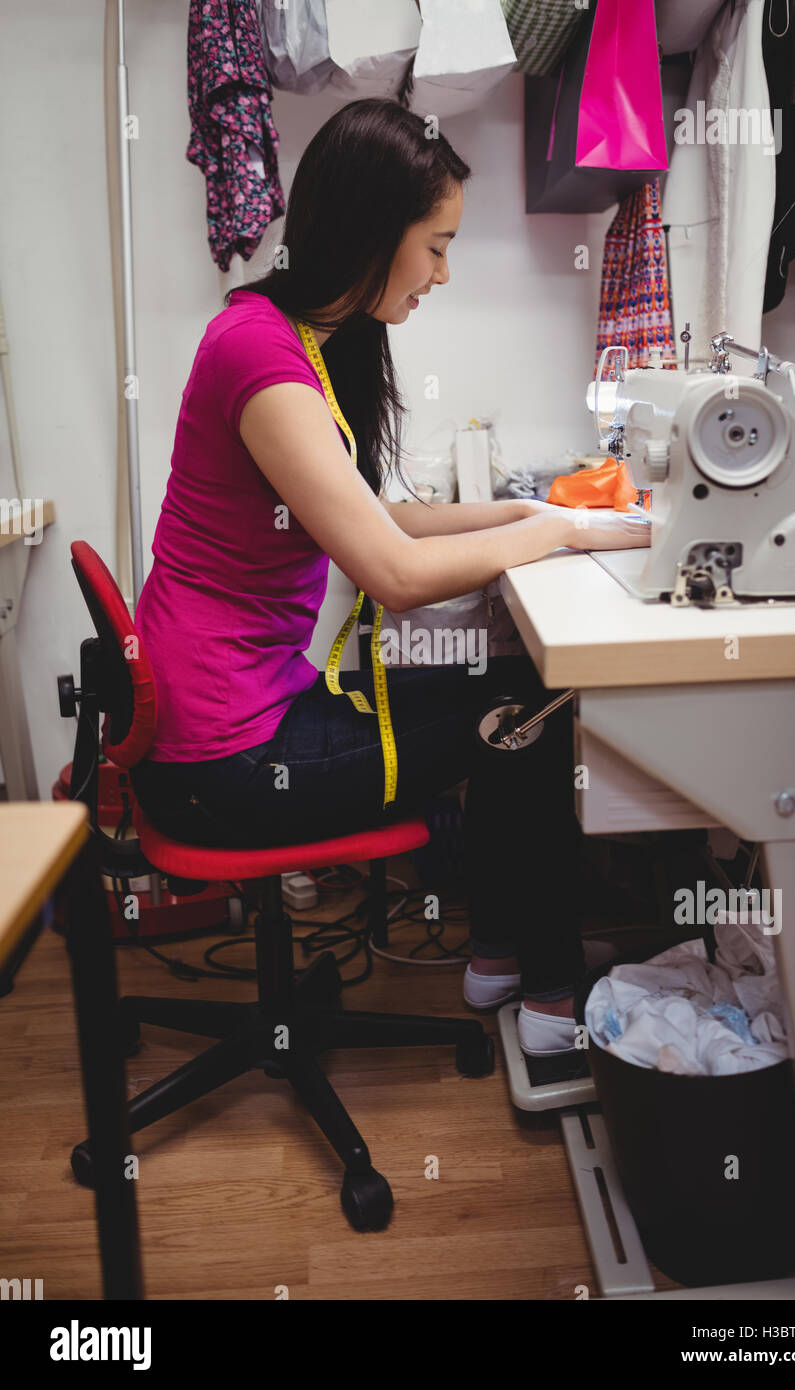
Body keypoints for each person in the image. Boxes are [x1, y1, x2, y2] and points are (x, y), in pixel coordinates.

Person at [130, 99, 650, 1056]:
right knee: (527, 715)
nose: (444, 274)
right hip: (229, 757)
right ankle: (548, 1001)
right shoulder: (258, 353)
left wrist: (529, 514)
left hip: (249, 715)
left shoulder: (307, 339)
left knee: (515, 697)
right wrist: (565, 534)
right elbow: (395, 571)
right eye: (438, 246)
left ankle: (504, 958)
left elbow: (380, 520)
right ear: (375, 231)